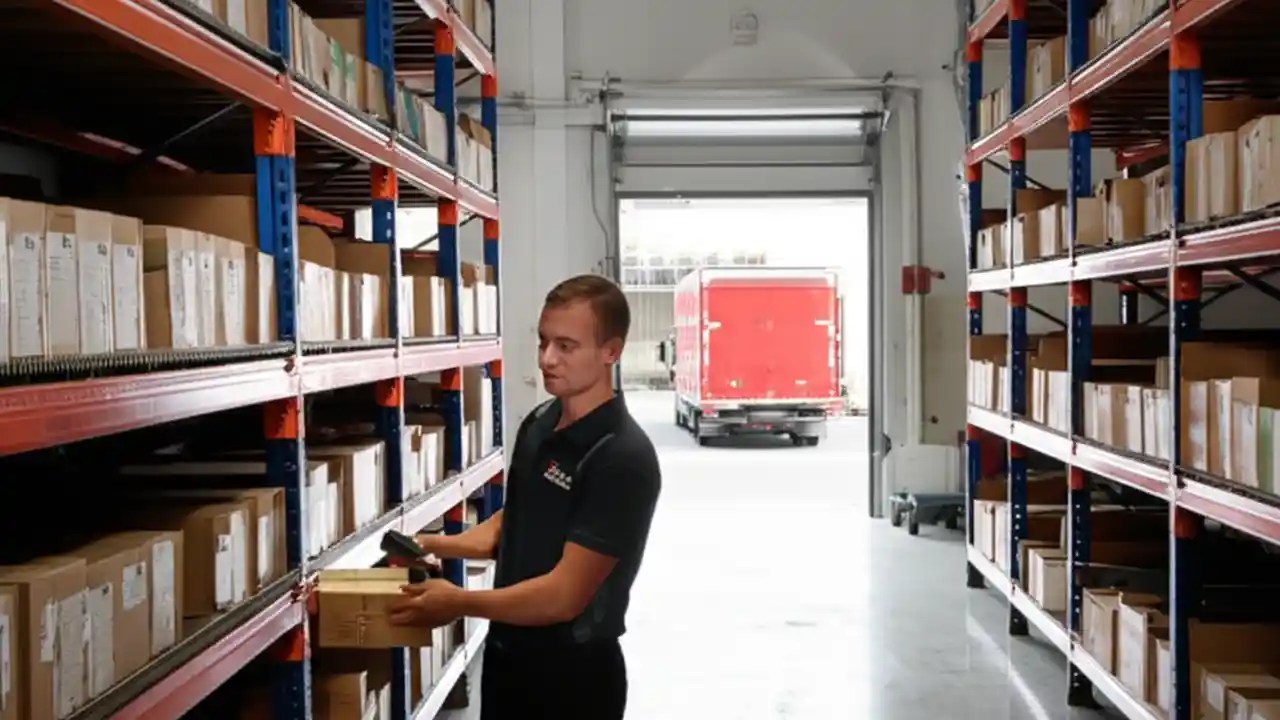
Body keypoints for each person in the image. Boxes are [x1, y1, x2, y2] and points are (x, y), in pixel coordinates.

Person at [390, 274, 662, 719]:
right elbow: (514, 521)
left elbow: (563, 596)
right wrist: (433, 544)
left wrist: (457, 602)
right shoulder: (539, 423)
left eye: (566, 346)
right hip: (507, 661)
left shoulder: (622, 458)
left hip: (571, 679)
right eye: (543, 342)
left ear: (611, 351)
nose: (546, 359)